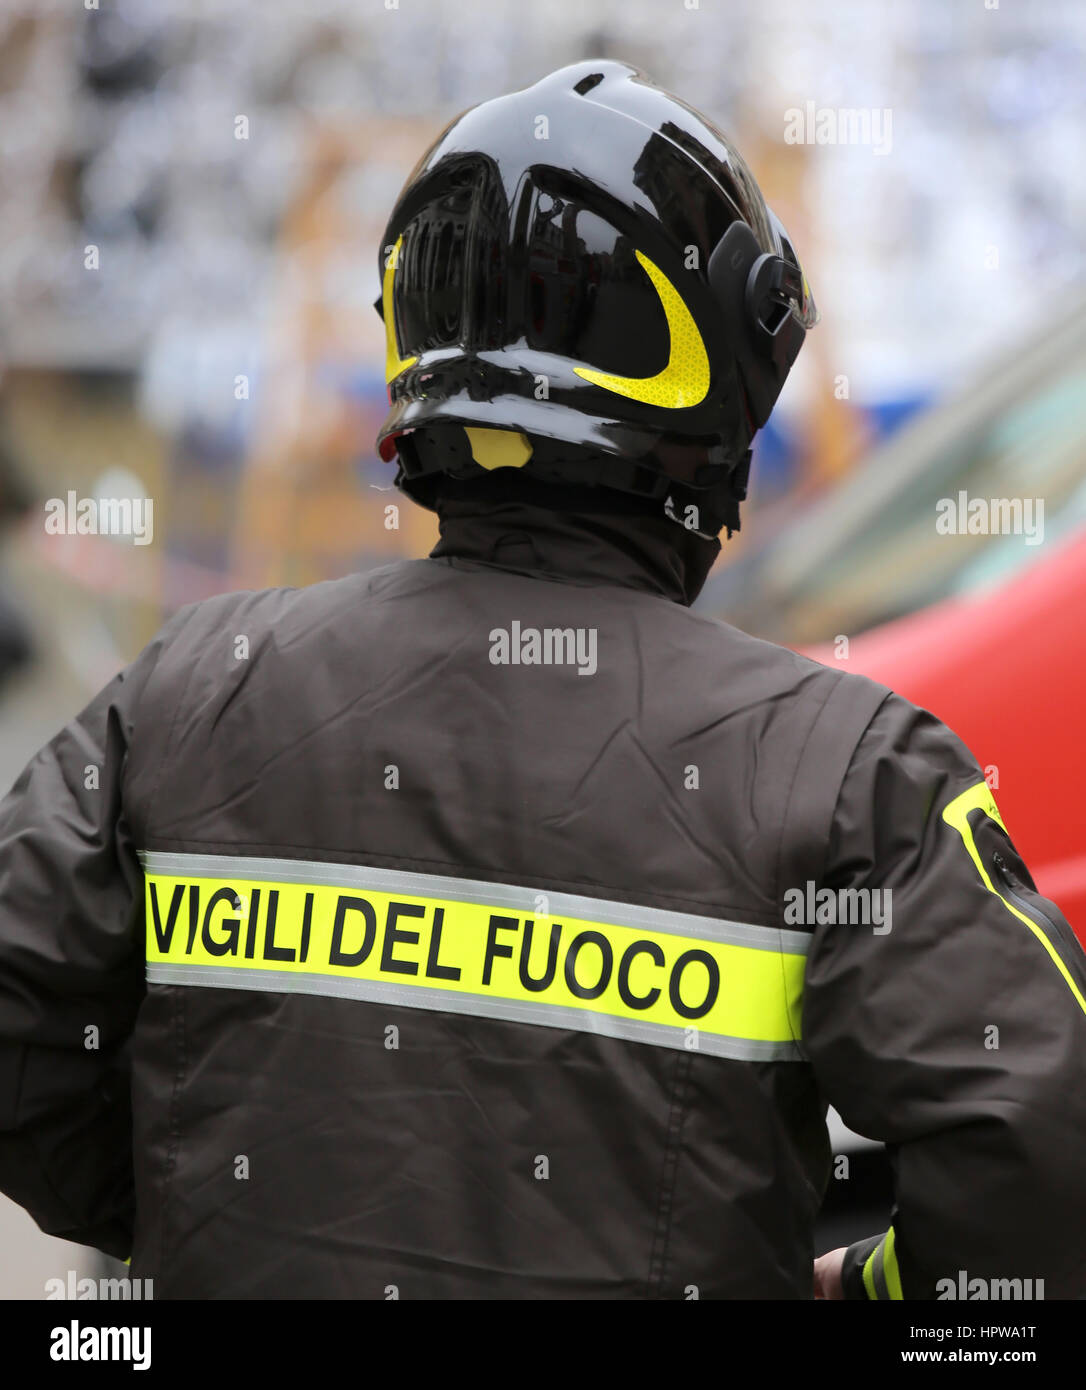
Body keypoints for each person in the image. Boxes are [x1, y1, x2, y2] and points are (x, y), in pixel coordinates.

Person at [0, 59, 1083, 1300]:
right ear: (718, 382)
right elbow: (1040, 1160)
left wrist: (190, 1223)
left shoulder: (187, 693)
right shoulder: (849, 773)